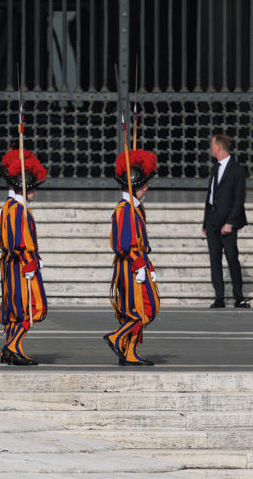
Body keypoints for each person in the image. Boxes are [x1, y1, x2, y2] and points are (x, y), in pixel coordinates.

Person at [105, 149, 160, 366]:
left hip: (137, 264)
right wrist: (140, 266)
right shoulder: (126, 209)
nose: (146, 188)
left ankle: (130, 352)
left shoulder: (134, 208)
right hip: (131, 266)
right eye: (143, 185)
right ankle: (116, 337)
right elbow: (125, 244)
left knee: (136, 310)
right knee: (145, 308)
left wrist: (149, 266)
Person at [0, 149, 48, 366]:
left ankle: (11, 350)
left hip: (15, 264)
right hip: (21, 264)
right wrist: (31, 262)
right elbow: (19, 242)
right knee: (31, 307)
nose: (35, 192)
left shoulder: (11, 206)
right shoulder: (18, 210)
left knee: (15, 310)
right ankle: (12, 346)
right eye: (32, 188)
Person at [203, 134, 249, 309]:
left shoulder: (237, 170)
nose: (211, 149)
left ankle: (239, 297)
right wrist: (205, 222)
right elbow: (210, 195)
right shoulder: (215, 168)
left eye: (212, 145)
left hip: (228, 223)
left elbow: (239, 199)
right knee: (214, 260)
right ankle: (219, 298)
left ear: (219, 147)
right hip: (212, 221)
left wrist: (230, 223)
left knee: (231, 258)